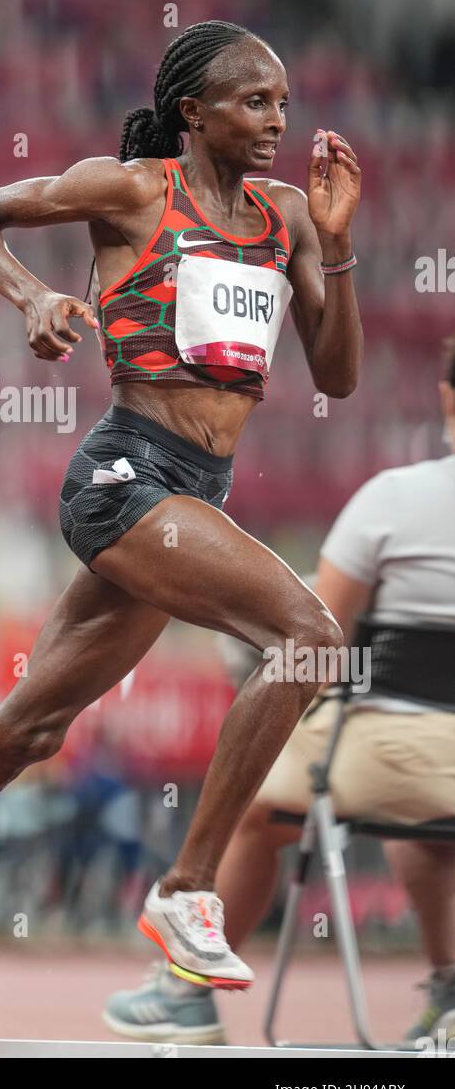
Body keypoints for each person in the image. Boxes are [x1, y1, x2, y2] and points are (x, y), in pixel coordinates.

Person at [0, 18, 363, 1014]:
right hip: (125, 479)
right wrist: (27, 298)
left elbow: (341, 375)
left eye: (281, 102)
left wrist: (340, 243)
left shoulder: (286, 217)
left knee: (30, 728)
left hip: (194, 496)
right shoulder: (133, 188)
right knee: (308, 638)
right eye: (252, 101)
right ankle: (186, 891)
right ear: (192, 111)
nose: (276, 120)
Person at [104, 338, 455, 1047]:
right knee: (423, 828)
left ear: (448, 399)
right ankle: (449, 994)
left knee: (264, 802)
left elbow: (315, 644)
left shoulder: (396, 499)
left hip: (390, 753)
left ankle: (184, 992)